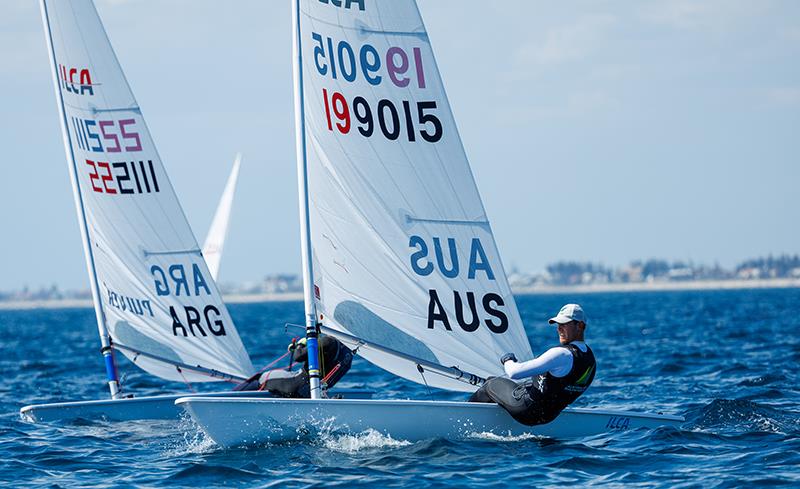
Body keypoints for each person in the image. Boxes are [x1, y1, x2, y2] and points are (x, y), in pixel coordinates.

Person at [468, 303, 596, 425]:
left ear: (580, 326)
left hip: (526, 410)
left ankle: (465, 418)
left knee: (491, 383)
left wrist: (507, 360)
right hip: (548, 417)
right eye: (558, 324)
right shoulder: (590, 359)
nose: (559, 328)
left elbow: (514, 372)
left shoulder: (561, 354)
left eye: (564, 324)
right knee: (506, 387)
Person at [234, 335, 353, 398]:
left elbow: (298, 356)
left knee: (261, 378)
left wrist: (301, 345)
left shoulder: (328, 341)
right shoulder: (348, 354)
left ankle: (230, 397)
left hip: (296, 384)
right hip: (312, 392)